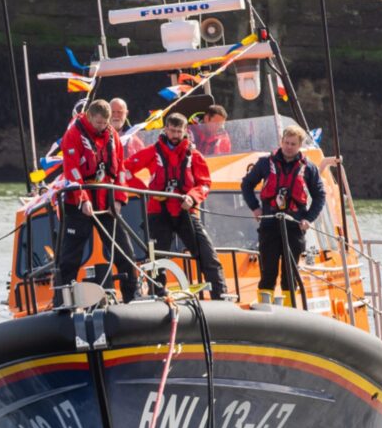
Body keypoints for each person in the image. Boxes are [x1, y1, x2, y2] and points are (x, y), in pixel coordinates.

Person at [127, 113, 227, 300]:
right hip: (158, 212)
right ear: (165, 129)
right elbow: (125, 171)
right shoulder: (152, 152)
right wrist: (146, 192)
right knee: (157, 259)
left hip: (186, 211)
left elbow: (204, 183)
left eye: (178, 131)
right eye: (172, 130)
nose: (175, 134)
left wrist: (192, 196)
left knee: (208, 254)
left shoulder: (194, 156)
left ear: (185, 131)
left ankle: (220, 295)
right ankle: (158, 295)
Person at [54, 99, 138, 303]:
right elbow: (72, 170)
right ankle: (63, 300)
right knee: (70, 256)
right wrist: (82, 198)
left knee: (124, 251)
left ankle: (132, 296)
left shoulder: (112, 135)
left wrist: (119, 199)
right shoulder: (73, 134)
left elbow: (119, 170)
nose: (101, 127)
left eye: (104, 123)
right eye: (98, 123)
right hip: (78, 203)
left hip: (106, 200)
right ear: (90, 117)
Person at [240, 124, 326, 303]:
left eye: (293, 144)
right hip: (269, 225)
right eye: (286, 142)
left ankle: (289, 311)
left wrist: (308, 219)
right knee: (268, 272)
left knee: (290, 274)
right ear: (281, 141)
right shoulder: (265, 163)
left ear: (300, 145)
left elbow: (319, 196)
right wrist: (255, 207)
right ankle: (265, 310)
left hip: (294, 227)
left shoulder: (309, 168)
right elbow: (247, 184)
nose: (288, 147)